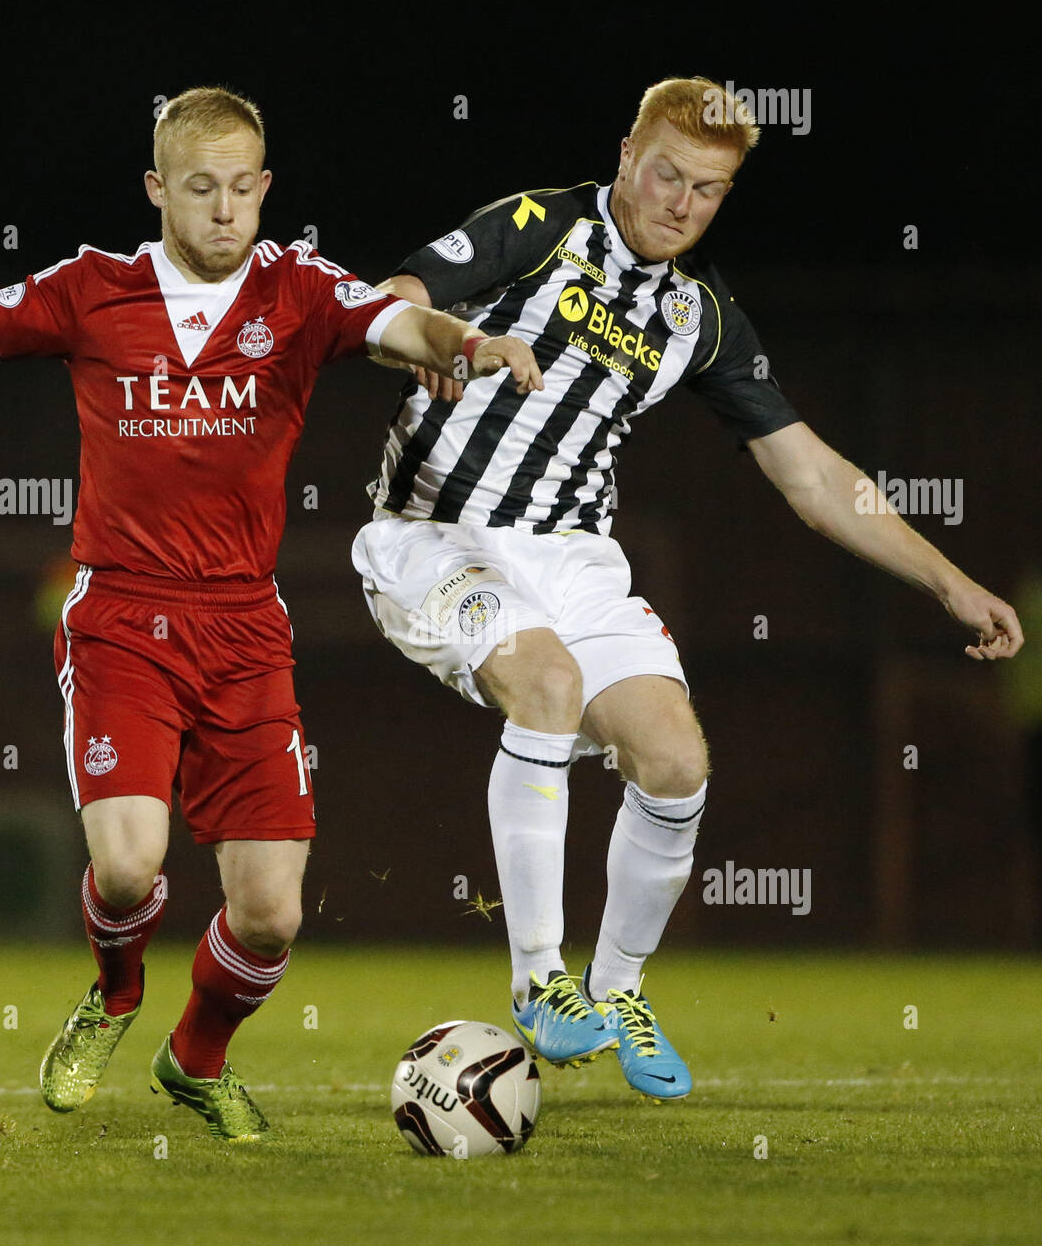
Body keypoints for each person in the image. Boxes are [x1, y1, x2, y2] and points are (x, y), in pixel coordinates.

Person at [352, 75, 1023, 1099]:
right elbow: (392, 295)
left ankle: (616, 992)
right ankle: (540, 980)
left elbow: (811, 475)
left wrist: (949, 581)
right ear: (627, 153)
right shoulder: (537, 227)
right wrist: (436, 340)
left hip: (573, 559)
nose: (679, 201)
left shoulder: (698, 319)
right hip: (437, 537)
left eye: (707, 189)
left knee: (674, 759)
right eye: (666, 173)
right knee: (546, 683)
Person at [0, 85, 542, 1143]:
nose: (225, 211)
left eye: (243, 188)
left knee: (271, 912)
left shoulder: (296, 290)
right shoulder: (92, 290)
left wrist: (468, 341)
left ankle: (196, 1057)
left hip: (245, 627)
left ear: (265, 189)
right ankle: (113, 996)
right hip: (122, 616)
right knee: (127, 861)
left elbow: (396, 319)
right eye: (201, 189)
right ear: (157, 189)